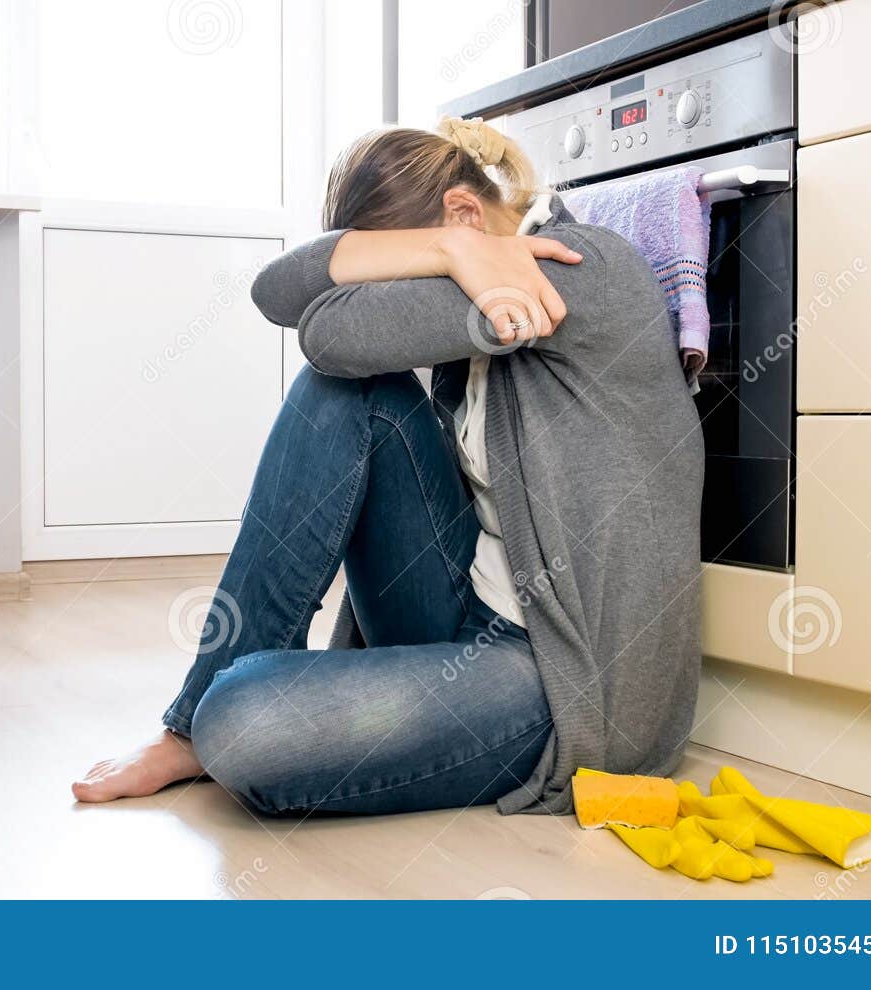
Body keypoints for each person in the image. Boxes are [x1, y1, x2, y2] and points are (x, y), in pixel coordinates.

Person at [73, 117, 703, 817]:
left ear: (466, 210)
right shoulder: (474, 270)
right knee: (344, 393)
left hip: (556, 673)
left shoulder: (576, 268)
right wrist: (445, 245)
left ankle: (231, 711)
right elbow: (279, 294)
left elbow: (329, 329)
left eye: (420, 260)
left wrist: (444, 254)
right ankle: (191, 728)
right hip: (459, 606)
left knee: (245, 724)